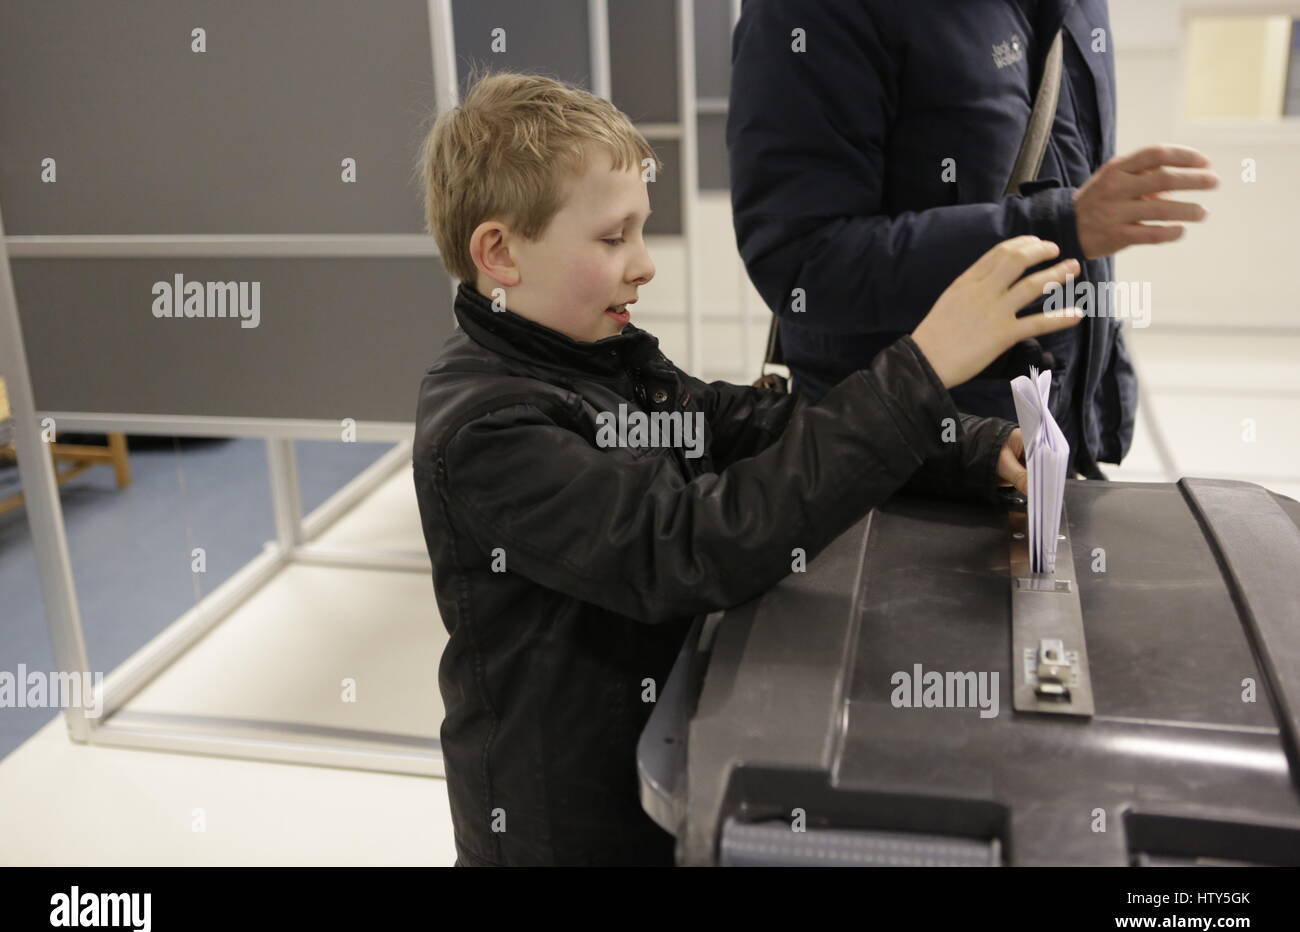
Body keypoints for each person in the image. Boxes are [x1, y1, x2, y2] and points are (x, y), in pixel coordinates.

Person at [410, 70, 1081, 866]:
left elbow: (751, 424)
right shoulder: (488, 432)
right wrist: (923, 366)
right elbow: (686, 548)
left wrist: (968, 447)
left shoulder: (595, 357)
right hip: (563, 830)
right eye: (612, 236)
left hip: (650, 765)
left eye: (640, 231)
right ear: (500, 253)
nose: (644, 264)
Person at [728, 0, 1218, 478]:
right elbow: (803, 263)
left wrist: (1095, 400)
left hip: (1049, 444)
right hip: (903, 469)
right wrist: (1055, 228)